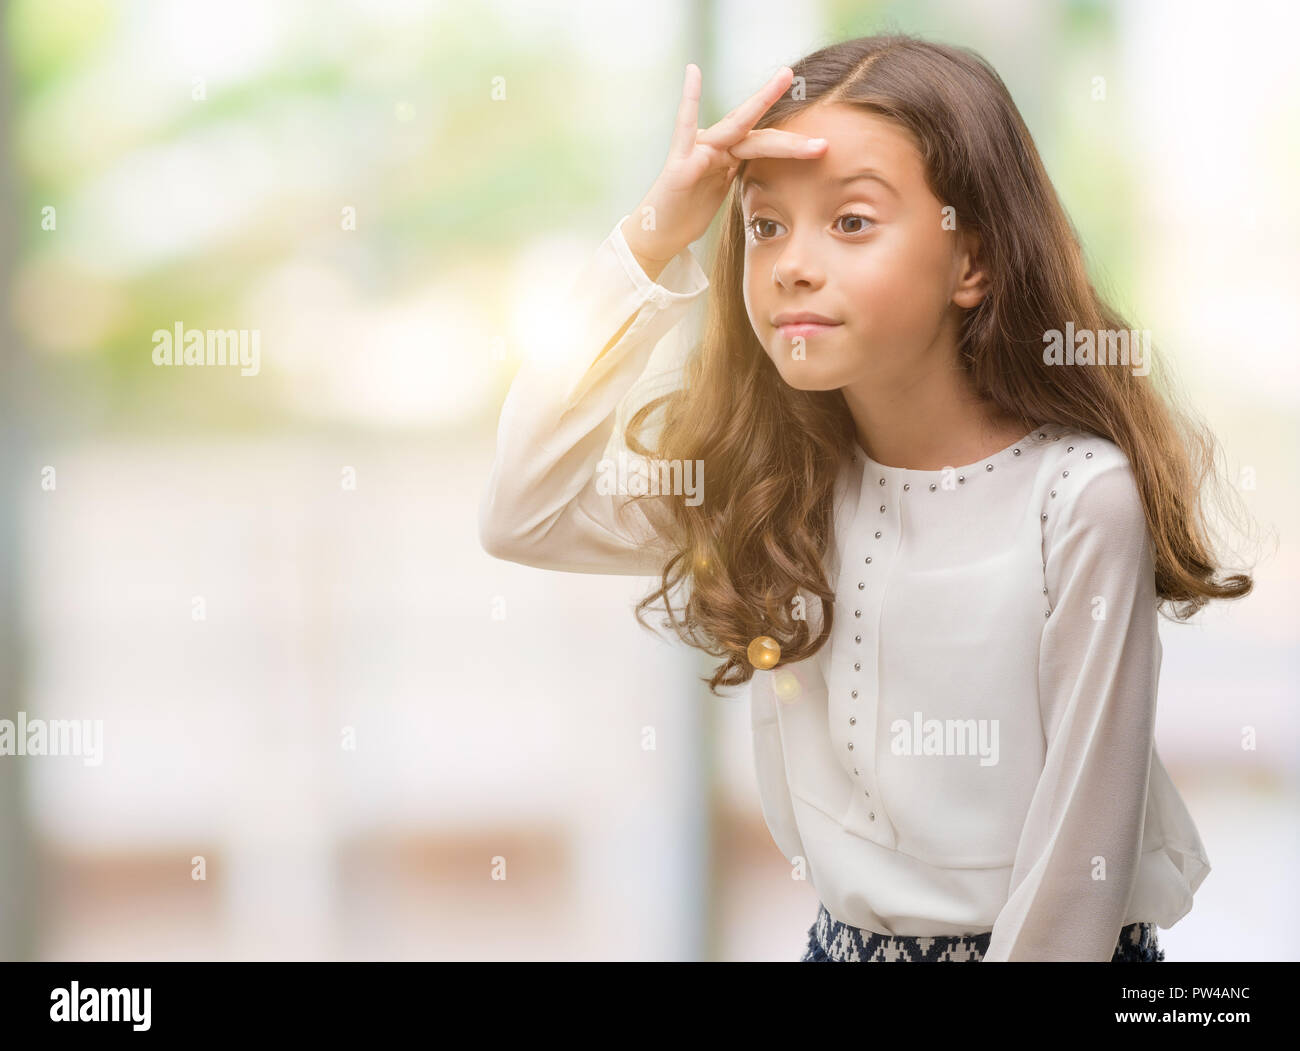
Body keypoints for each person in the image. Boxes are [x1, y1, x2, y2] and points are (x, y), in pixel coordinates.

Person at [478, 34, 1253, 962]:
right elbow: (524, 507)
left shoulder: (1080, 500)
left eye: (850, 222)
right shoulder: (771, 490)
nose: (792, 265)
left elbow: (1077, 868)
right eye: (766, 227)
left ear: (972, 262)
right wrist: (656, 232)